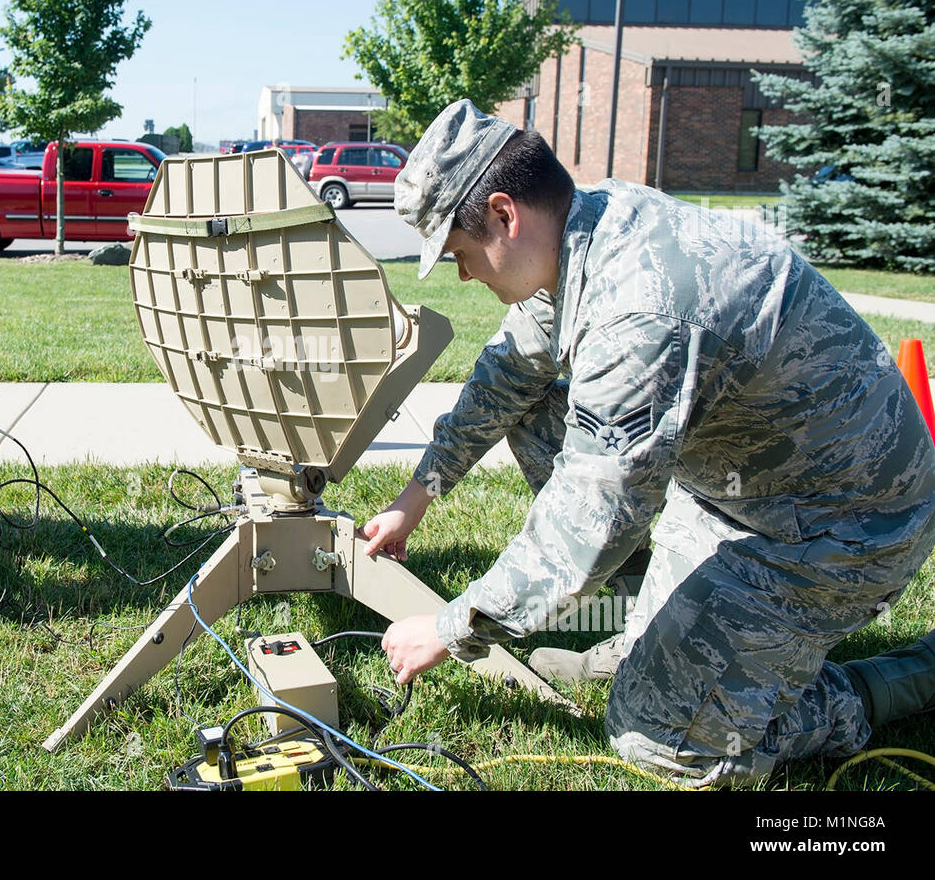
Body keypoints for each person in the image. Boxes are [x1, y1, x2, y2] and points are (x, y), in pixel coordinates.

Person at [364, 98, 935, 785]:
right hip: (750, 490)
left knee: (660, 739)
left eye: (459, 254)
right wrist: (416, 494)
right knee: (537, 391)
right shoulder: (589, 224)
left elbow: (592, 514)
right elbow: (506, 374)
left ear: (504, 214)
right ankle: (648, 635)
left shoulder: (639, 313)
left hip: (841, 526)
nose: (463, 275)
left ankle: (891, 683)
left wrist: (451, 628)